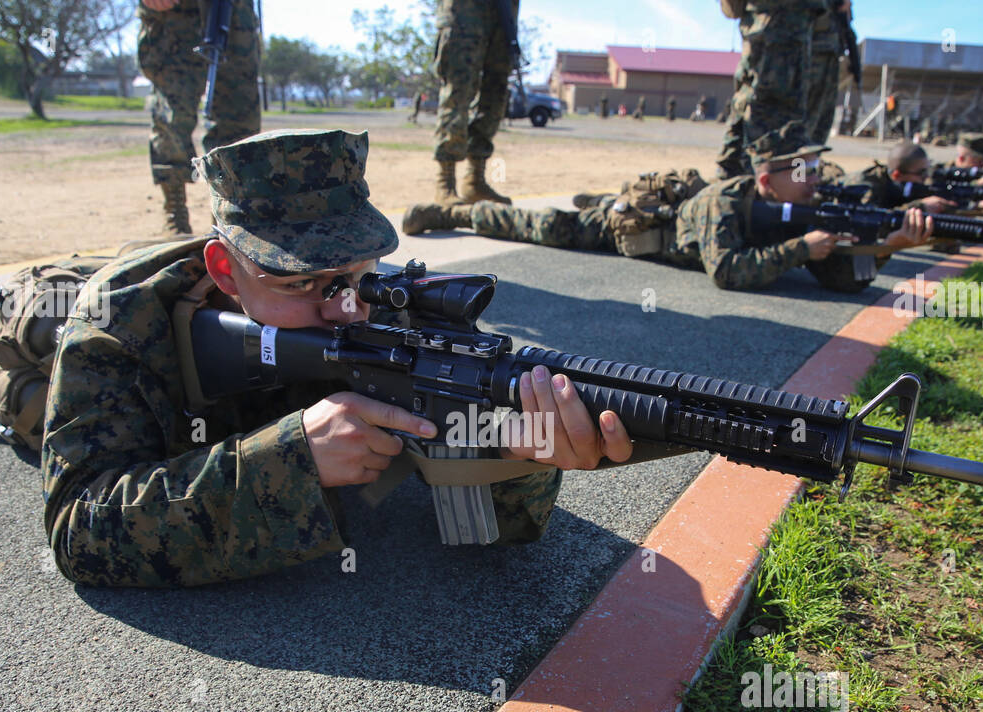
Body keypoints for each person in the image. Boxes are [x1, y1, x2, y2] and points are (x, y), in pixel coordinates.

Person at [41, 129, 633, 588]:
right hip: (40, 322)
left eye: (357, 273)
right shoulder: (116, 323)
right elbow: (78, 528)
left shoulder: (380, 307)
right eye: (301, 284)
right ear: (227, 270)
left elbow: (485, 512)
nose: (347, 308)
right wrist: (293, 457)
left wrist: (513, 453)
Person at [402, 121, 932, 292]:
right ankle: (452, 213)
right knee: (536, 223)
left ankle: (599, 195)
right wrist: (799, 249)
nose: (816, 181)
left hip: (662, 220)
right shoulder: (724, 202)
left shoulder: (810, 208)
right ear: (768, 178)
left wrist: (887, 246)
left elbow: (842, 277)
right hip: (624, 230)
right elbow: (724, 271)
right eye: (805, 172)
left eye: (817, 171)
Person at [138, 0, 262, 236]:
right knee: (172, 114)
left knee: (238, 120)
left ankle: (227, 216)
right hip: (175, 12)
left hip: (233, 10)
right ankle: (175, 217)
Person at [717, 0, 824, 179]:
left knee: (792, 120)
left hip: (796, 34)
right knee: (756, 106)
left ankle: (789, 187)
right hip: (769, 31)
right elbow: (732, 9)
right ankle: (738, 188)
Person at [430, 0, 517, 206]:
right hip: (465, 8)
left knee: (495, 94)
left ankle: (474, 181)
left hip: (503, 9)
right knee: (458, 88)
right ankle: (445, 182)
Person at [848, 140, 983, 214]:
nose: (927, 177)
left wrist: (980, 205)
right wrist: (920, 207)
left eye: (927, 170)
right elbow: (871, 221)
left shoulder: (911, 183)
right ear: (897, 174)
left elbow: (950, 204)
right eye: (921, 173)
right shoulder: (866, 186)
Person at [805, 0, 847, 148]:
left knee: (823, 118)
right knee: (805, 117)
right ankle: (798, 164)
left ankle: (810, 163)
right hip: (810, 51)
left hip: (832, 53)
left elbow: (844, 16)